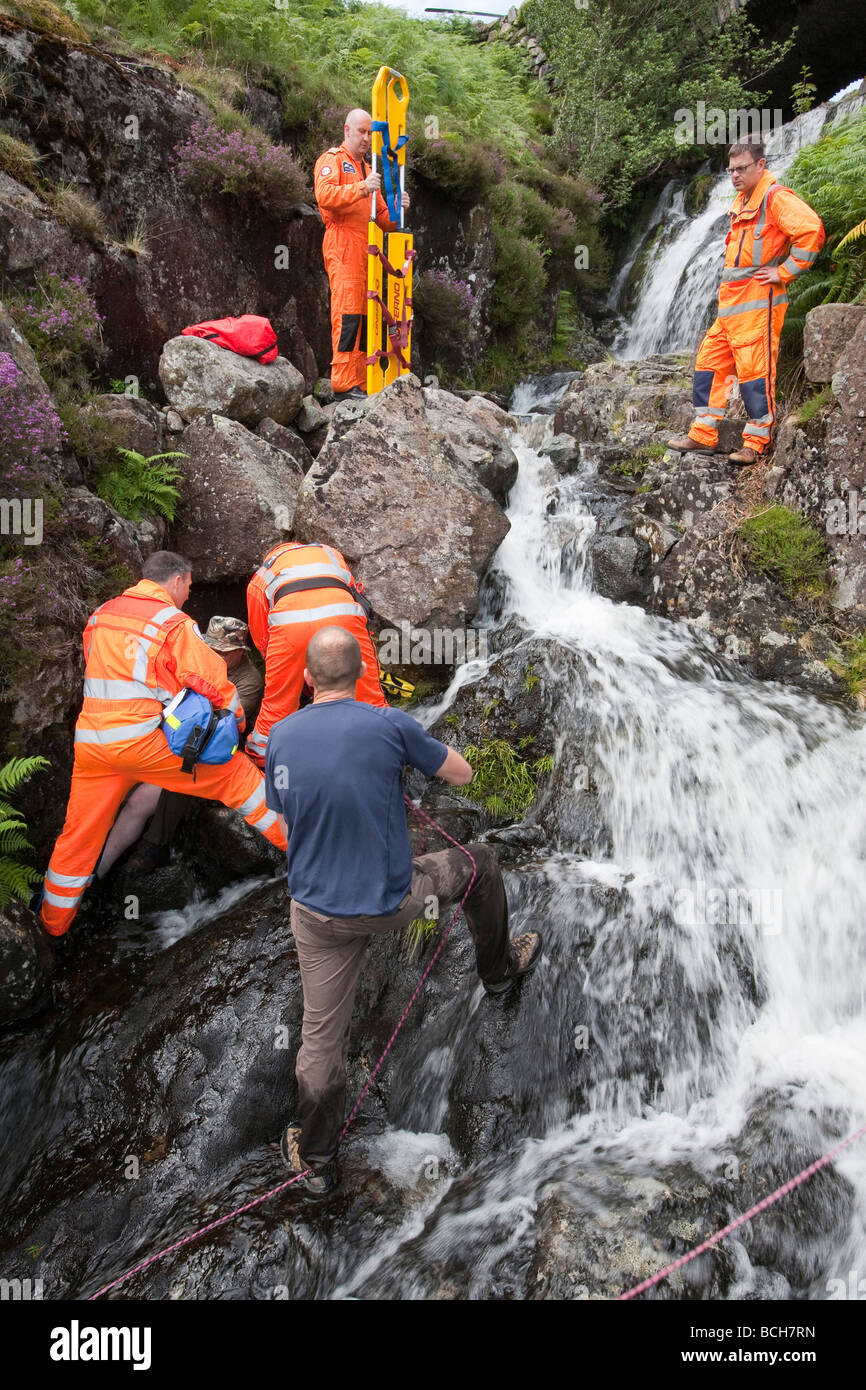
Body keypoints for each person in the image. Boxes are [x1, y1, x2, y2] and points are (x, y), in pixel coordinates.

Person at [264, 625, 543, 1195]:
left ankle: (316, 1160)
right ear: (362, 674)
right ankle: (499, 973)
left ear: (308, 678)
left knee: (321, 1036)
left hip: (317, 914)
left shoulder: (283, 736)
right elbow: (461, 773)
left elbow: (284, 813)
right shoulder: (388, 724)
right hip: (396, 902)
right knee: (482, 863)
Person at [39, 553, 287, 936]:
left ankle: (52, 926)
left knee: (78, 834)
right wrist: (234, 723)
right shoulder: (171, 622)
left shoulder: (102, 614)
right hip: (140, 740)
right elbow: (213, 686)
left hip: (91, 743)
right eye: (189, 586)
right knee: (238, 777)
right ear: (177, 580)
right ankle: (310, 852)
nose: (189, 594)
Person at [668, 136, 825, 465]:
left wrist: (785, 272)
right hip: (730, 307)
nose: (735, 175)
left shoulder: (775, 198)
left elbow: (811, 229)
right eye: (731, 170)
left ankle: (756, 443)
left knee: (756, 374)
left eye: (741, 169)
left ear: (760, 165)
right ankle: (703, 434)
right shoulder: (741, 204)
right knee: (709, 365)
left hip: (758, 304)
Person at [93, 616, 266, 880]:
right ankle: (97, 872)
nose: (214, 654)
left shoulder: (249, 682)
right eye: (211, 648)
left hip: (215, 756)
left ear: (238, 653)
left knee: (182, 778)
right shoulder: (201, 663)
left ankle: (154, 846)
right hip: (179, 747)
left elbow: (220, 725)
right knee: (136, 802)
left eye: (221, 651)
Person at [245, 540, 386, 768]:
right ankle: (382, 747)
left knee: (279, 703)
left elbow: (260, 634)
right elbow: (355, 594)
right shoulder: (330, 554)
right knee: (369, 694)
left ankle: (262, 755)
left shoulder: (264, 572)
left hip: (288, 626)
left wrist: (278, 664)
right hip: (343, 617)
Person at [313, 107, 411, 399]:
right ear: (347, 130)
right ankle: (344, 382)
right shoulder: (332, 161)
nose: (367, 138)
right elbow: (325, 196)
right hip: (342, 243)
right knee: (348, 315)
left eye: (370, 133)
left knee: (367, 315)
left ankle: (364, 378)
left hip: (367, 250)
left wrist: (398, 208)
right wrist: (361, 188)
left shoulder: (369, 170)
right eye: (362, 132)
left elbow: (382, 218)